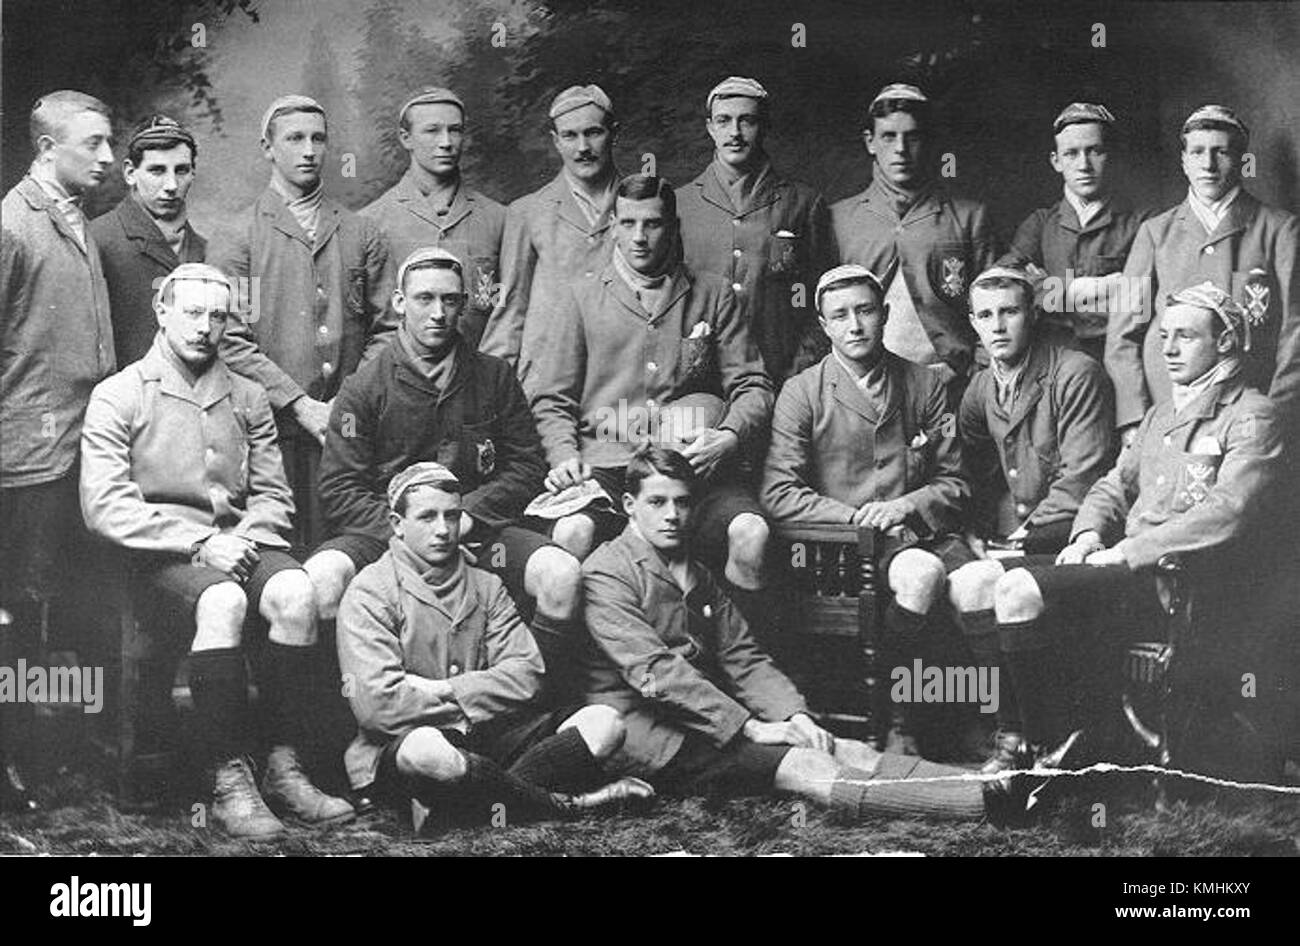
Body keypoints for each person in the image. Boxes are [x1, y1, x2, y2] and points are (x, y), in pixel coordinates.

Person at [578, 446, 1025, 822]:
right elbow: (655, 675)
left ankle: (996, 783)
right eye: (657, 502)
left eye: (682, 502)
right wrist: (751, 727)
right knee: (806, 764)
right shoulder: (606, 572)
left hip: (702, 719)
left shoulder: (696, 570)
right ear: (629, 505)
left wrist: (794, 716)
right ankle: (984, 805)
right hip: (646, 734)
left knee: (842, 747)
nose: (672, 515)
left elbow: (743, 656)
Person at [79, 263, 354, 838]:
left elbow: (274, 495)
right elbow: (104, 505)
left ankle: (283, 766)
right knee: (224, 600)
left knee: (297, 592)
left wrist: (243, 538)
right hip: (158, 554)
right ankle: (228, 783)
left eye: (218, 316)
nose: (205, 327)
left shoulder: (248, 394)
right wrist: (201, 543)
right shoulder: (120, 393)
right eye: (192, 313)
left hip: (240, 542)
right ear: (162, 312)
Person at [994, 282, 1282, 770]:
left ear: (1225, 342)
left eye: (1185, 336)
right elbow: (1113, 486)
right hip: (1126, 571)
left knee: (1018, 590)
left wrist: (1127, 552)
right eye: (1163, 336)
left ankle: (1044, 749)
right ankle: (1029, 737)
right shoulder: (1160, 415)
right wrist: (1087, 535)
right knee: (983, 581)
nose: (1168, 349)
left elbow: (1228, 511)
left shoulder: (1251, 415)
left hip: (1181, 584)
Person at [308, 247, 584, 699]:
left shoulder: (494, 377)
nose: (438, 313)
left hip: (480, 536)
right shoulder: (362, 390)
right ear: (400, 303)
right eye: (424, 299)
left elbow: (527, 466)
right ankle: (344, 726)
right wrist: (412, 533)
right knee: (321, 580)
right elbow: (340, 489)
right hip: (388, 537)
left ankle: (535, 706)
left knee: (561, 574)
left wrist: (467, 516)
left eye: (450, 300)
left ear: (463, 304)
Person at [336, 462, 654, 832]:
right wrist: (477, 698)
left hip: (489, 738)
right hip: (405, 746)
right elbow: (379, 708)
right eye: (426, 517)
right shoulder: (370, 592)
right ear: (397, 524)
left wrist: (444, 689)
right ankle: (569, 806)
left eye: (451, 515)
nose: (443, 529)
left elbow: (527, 676)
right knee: (426, 749)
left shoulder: (486, 584)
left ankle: (461, 811)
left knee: (605, 723)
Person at [528, 173, 775, 623]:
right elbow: (552, 399)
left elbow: (753, 385)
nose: (639, 237)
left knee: (751, 534)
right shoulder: (581, 296)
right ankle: (582, 664)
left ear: (673, 227)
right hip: (609, 469)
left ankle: (739, 658)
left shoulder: (713, 293)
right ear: (614, 228)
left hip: (693, 470)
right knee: (571, 533)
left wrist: (728, 437)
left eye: (653, 223)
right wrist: (564, 455)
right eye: (628, 223)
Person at [760, 264, 970, 754]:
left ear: (885, 314)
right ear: (823, 325)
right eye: (840, 316)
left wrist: (906, 505)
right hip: (842, 551)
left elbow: (957, 483)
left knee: (981, 585)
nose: (855, 326)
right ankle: (899, 719)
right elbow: (778, 492)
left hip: (923, 532)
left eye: (865, 311)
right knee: (921, 576)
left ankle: (988, 727)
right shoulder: (802, 392)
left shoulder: (924, 383)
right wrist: (853, 519)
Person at [208, 94, 394, 548]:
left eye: (318, 139)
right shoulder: (239, 236)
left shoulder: (361, 231)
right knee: (284, 557)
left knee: (352, 552)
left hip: (351, 430)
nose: (309, 150)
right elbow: (230, 338)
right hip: (273, 436)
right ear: (268, 148)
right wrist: (299, 404)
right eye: (294, 139)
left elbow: (389, 327)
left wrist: (348, 399)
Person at [1, 90, 116, 813]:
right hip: (28, 455)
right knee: (19, 608)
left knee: (75, 605)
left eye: (110, 143)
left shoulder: (77, 217)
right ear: (47, 148)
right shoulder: (11, 224)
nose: (109, 158)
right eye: (93, 143)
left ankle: (69, 752)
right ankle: (10, 762)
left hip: (87, 449)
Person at [951, 265, 1115, 771]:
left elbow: (1082, 478)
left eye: (1010, 312)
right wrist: (978, 530)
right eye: (985, 316)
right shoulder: (981, 388)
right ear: (973, 324)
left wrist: (1021, 538)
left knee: (1006, 584)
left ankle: (1047, 739)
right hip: (1020, 536)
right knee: (967, 583)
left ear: (1033, 315)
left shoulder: (1075, 372)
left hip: (1075, 534)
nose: (998, 326)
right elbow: (973, 472)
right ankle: (1012, 732)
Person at [1106, 105, 1300, 440]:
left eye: (1221, 152)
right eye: (1197, 152)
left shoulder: (1280, 230)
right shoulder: (1155, 233)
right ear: (1184, 161)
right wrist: (1135, 420)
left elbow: (1295, 332)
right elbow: (1121, 335)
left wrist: (1275, 413)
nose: (1208, 165)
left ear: (1242, 160)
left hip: (1249, 417)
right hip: (1168, 415)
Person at [831, 83, 997, 393]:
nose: (901, 149)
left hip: (953, 383)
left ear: (930, 141)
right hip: (862, 387)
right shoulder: (839, 219)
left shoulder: (969, 217)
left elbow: (996, 304)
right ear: (870, 142)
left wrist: (974, 371)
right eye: (888, 136)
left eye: (913, 137)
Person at [676, 76, 836, 382]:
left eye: (747, 121)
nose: (735, 133)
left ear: (765, 126)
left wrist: (802, 365)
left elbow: (822, 297)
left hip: (781, 373)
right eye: (724, 121)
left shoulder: (803, 203)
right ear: (710, 128)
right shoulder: (680, 204)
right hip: (703, 378)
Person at [479, 84, 620, 384]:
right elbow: (510, 310)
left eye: (593, 132)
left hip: (619, 379)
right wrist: (489, 390)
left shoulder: (645, 207)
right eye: (570, 136)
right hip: (546, 380)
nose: (583, 147)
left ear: (614, 133)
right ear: (556, 141)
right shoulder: (527, 212)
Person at [998, 103, 1149, 361]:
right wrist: (1086, 290)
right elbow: (1007, 283)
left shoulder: (1143, 223)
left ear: (1112, 155)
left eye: (1095, 151)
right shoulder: (1040, 224)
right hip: (1052, 362)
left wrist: (1047, 292)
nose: (1084, 165)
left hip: (1120, 360)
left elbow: (1144, 298)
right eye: (1071, 153)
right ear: (1056, 161)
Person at [359, 87, 504, 350]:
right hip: (398, 371)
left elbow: (505, 310)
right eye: (432, 131)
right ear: (406, 138)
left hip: (480, 370)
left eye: (455, 130)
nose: (446, 142)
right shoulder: (370, 223)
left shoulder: (498, 219)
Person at [90, 114, 207, 366]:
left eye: (181, 170)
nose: (172, 185)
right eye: (157, 170)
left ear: (193, 173)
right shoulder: (96, 240)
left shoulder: (207, 250)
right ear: (130, 173)